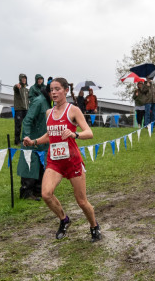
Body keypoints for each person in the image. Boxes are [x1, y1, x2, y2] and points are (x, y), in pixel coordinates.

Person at [22, 76, 101, 242]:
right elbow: (50, 135)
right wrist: (34, 141)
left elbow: (89, 132)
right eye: (51, 90)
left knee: (81, 201)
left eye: (57, 89)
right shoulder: (49, 113)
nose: (54, 92)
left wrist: (75, 134)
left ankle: (94, 226)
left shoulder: (73, 110)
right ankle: (64, 220)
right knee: (46, 194)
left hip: (72, 161)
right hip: (55, 161)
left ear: (65, 90)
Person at [18, 75, 50, 200]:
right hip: (31, 140)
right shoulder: (39, 101)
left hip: (41, 141)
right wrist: (26, 137)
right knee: (30, 166)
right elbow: (27, 120)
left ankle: (37, 191)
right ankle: (26, 193)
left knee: (40, 166)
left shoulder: (48, 102)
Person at [13, 73, 29, 142]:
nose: (24, 80)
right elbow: (15, 88)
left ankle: (25, 140)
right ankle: (17, 141)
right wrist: (16, 86)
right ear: (20, 79)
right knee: (18, 125)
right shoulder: (18, 87)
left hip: (26, 110)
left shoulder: (26, 90)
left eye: (25, 78)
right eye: (22, 78)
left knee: (26, 125)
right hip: (19, 109)